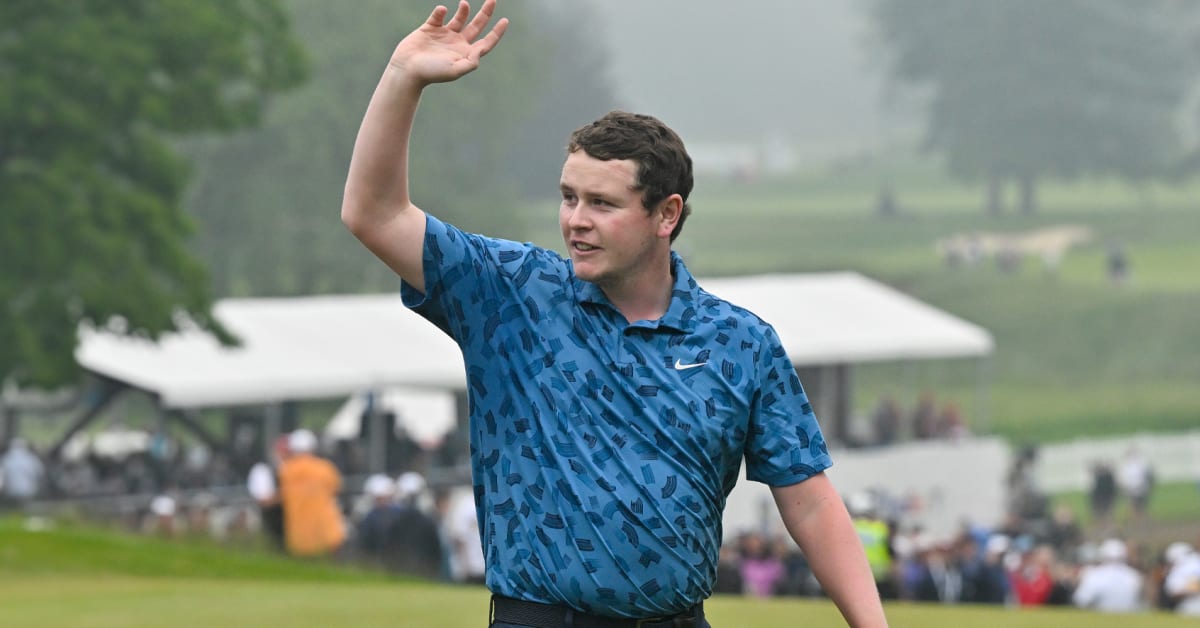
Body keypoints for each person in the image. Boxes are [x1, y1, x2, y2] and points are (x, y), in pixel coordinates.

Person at [340, 2, 887, 626]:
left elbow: (810, 502)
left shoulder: (740, 342)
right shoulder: (511, 292)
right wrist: (402, 77)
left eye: (602, 203)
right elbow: (374, 214)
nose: (575, 220)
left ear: (667, 215)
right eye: (569, 197)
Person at [277, 428, 347, 558]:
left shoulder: (286, 470)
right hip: (327, 532)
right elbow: (336, 490)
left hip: (299, 536)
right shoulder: (325, 468)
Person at [1071, 538, 1144, 613]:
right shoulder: (1134, 576)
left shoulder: (1094, 575)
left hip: (1098, 620)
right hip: (1128, 620)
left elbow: (1080, 601)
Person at [0, 437, 45, 509]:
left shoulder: (5, 459)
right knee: (25, 509)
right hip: (27, 490)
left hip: (10, 491)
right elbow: (39, 473)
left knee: (12, 511)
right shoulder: (31, 459)